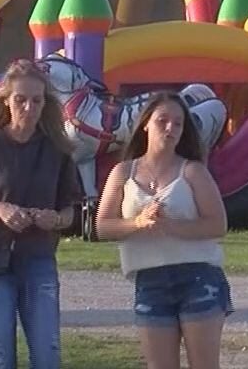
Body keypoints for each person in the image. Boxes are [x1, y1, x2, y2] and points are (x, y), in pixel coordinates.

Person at [0, 59, 83, 369]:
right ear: (6, 102)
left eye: (36, 100)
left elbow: (72, 209)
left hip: (38, 259)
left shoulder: (56, 149)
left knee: (47, 353)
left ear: (45, 104)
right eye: (20, 99)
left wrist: (56, 219)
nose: (28, 107)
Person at [94, 92, 232, 369]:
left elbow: (218, 224)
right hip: (150, 280)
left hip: (197, 276)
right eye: (162, 121)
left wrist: (172, 226)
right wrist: (137, 223)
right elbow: (102, 226)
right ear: (145, 124)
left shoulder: (192, 171)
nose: (170, 128)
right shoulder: (123, 173)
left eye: (178, 123)